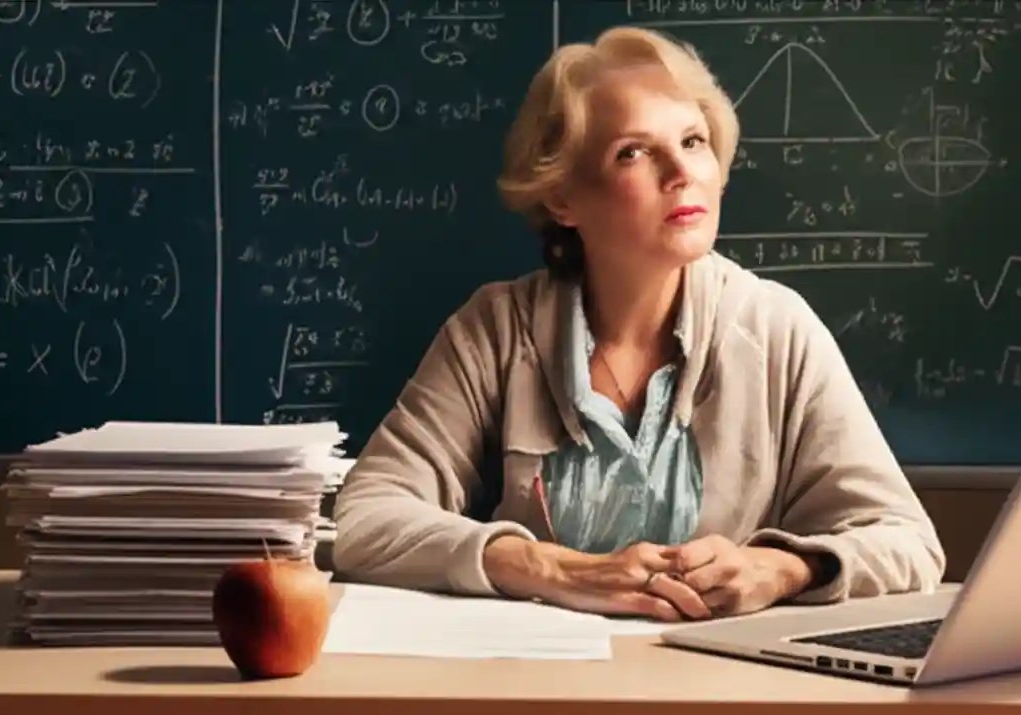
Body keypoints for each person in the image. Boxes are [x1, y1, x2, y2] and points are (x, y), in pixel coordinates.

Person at [332, 26, 945, 622]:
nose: (682, 173)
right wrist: (550, 568)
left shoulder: (777, 328)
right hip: (533, 687)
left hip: (723, 691)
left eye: (694, 141)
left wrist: (778, 570)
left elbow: (907, 542)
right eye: (634, 151)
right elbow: (364, 519)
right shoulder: (495, 330)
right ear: (562, 198)